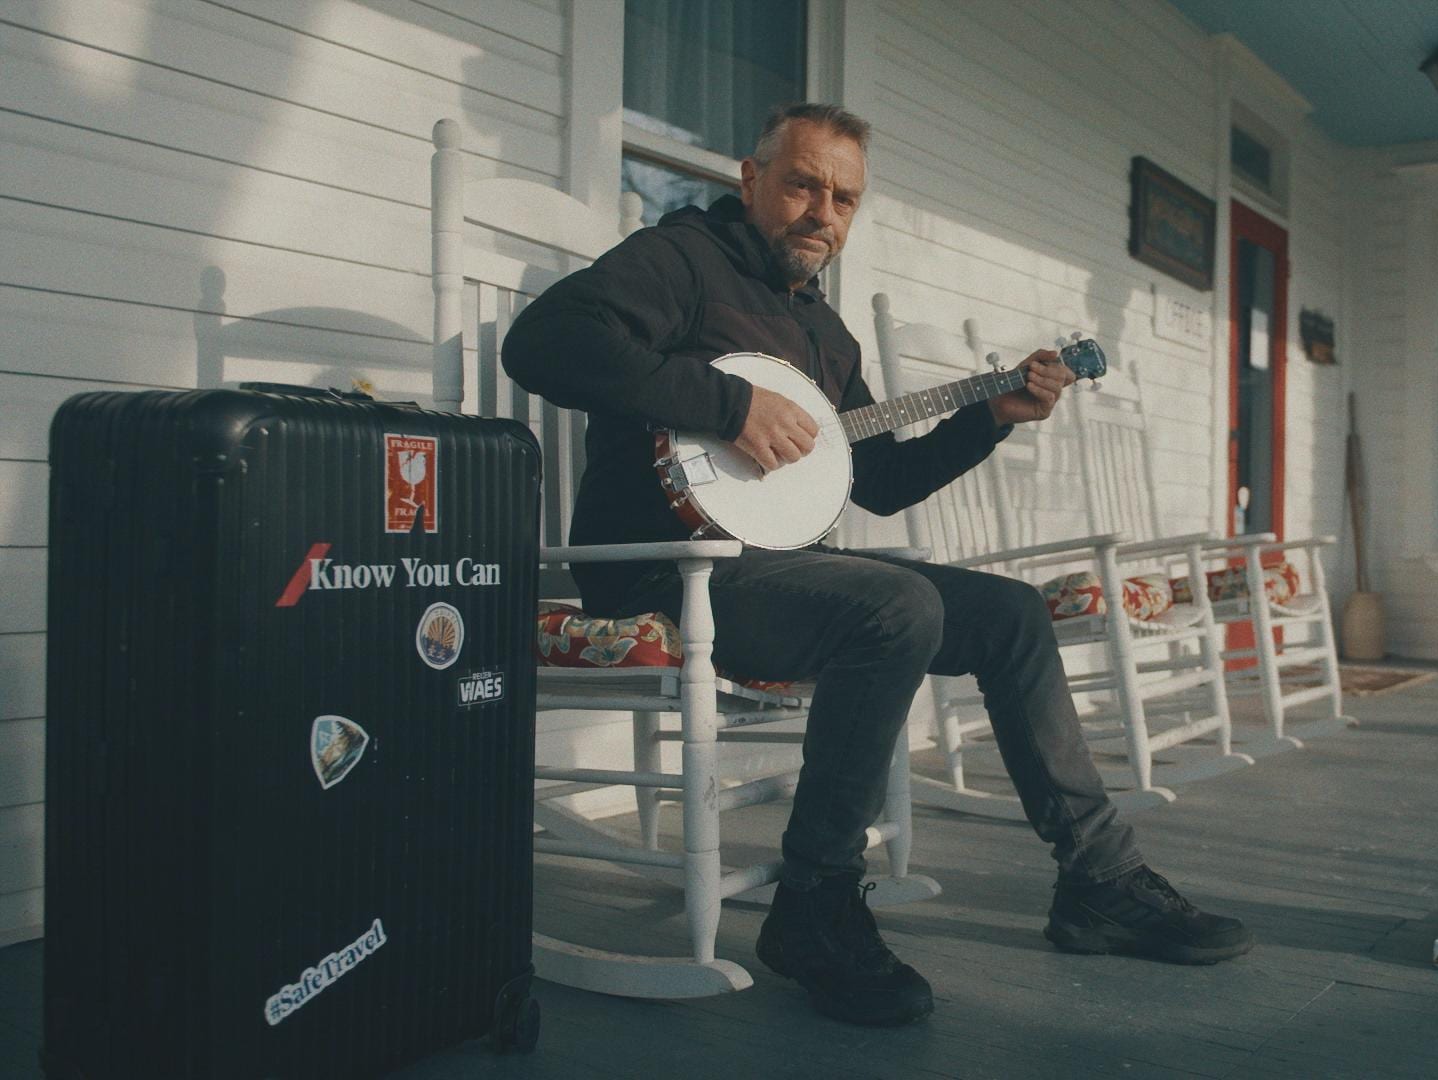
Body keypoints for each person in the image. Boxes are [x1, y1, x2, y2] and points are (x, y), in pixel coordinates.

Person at [501, 102, 1252, 1027]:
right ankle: (816, 903)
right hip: (669, 574)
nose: (823, 213)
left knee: (1010, 613)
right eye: (803, 185)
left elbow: (881, 481)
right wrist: (728, 403)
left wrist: (988, 419)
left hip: (782, 571)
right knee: (893, 605)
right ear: (751, 180)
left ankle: (1099, 878)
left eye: (845, 199)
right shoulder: (682, 260)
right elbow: (540, 343)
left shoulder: (826, 334)